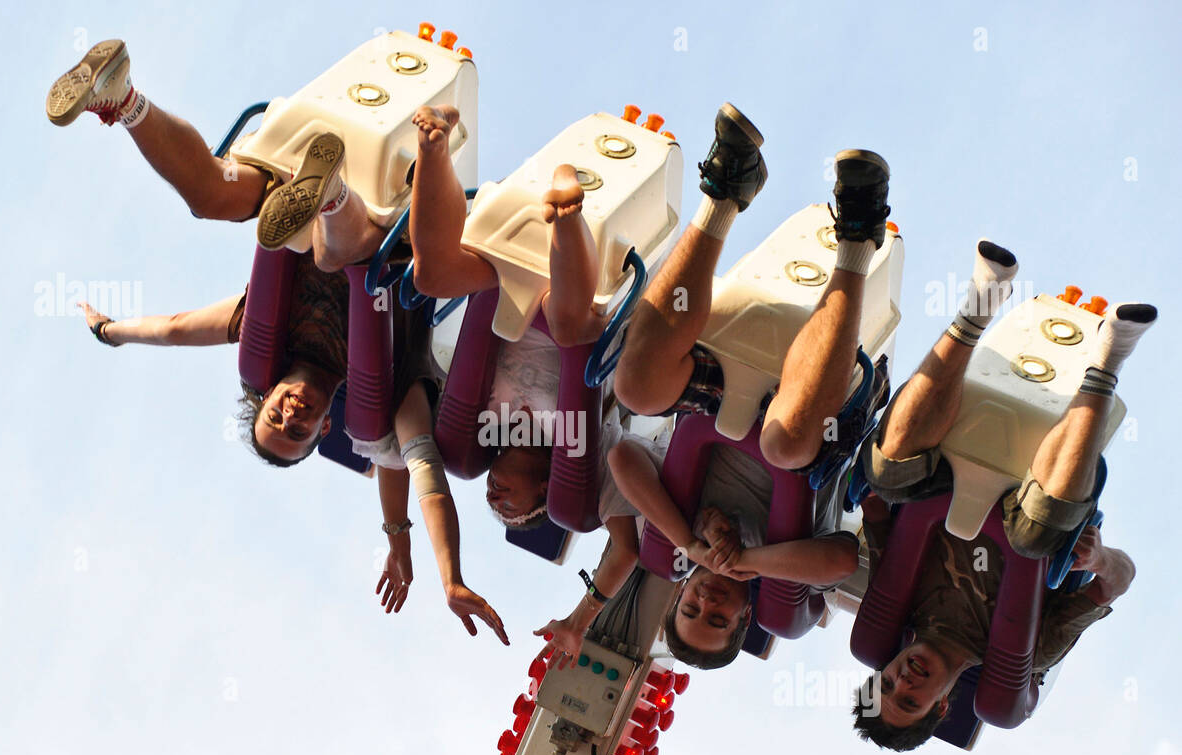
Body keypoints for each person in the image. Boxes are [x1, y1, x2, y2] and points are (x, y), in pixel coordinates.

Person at [602, 103, 889, 669]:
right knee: (783, 445)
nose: (707, 602)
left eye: (690, 610)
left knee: (634, 389)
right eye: (718, 619)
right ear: (743, 617)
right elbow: (839, 559)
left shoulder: (676, 539)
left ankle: (726, 190)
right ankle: (859, 238)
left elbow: (623, 459)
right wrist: (753, 564)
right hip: (813, 413)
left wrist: (687, 538)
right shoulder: (778, 576)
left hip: (724, 388)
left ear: (680, 594)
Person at [851, 239, 1149, 751]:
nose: (902, 680)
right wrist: (1098, 558)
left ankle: (978, 305)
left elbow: (875, 510)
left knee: (883, 473)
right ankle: (1108, 360)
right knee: (1035, 536)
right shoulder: (1022, 657)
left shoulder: (891, 603)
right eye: (909, 700)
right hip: (1030, 502)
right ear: (942, 705)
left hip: (949, 467)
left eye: (886, 684)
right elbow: (1120, 581)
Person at [47, 38, 385, 464]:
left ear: (265, 398)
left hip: (291, 178)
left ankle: (123, 97)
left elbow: (174, 329)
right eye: (298, 431)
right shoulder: (368, 381)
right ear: (325, 427)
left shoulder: (258, 332)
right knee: (329, 254)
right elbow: (412, 454)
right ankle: (329, 194)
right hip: (377, 234)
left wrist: (109, 331)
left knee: (208, 198)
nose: (290, 416)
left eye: (273, 417)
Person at [408, 105, 655, 638]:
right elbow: (628, 547)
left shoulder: (485, 423)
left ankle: (434, 148)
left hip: (509, 278)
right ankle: (567, 214)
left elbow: (412, 461)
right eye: (513, 510)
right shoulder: (594, 443)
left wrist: (419, 550)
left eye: (492, 505)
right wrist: (577, 619)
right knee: (569, 328)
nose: (496, 502)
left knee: (431, 277)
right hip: (575, 308)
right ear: (547, 487)